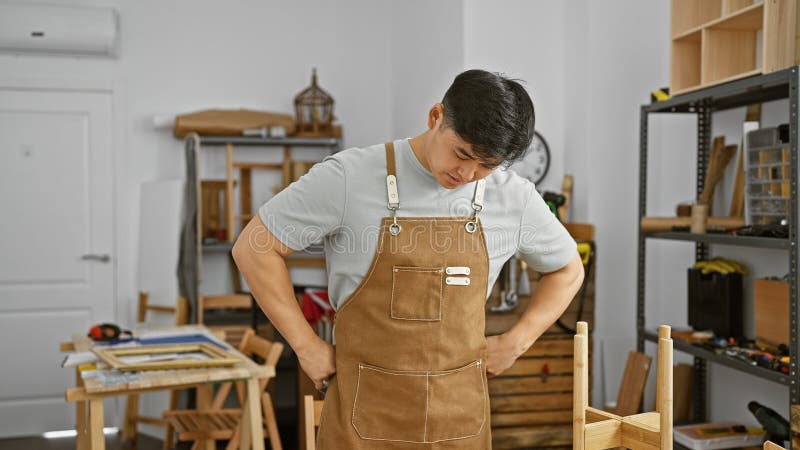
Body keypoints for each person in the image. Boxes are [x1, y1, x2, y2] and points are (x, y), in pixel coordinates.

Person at [232, 69, 584, 449]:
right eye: (462, 153)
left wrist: (517, 342)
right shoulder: (349, 177)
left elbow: (567, 270)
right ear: (435, 117)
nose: (467, 174)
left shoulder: (514, 197)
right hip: (362, 419)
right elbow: (254, 247)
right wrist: (305, 346)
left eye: (487, 165)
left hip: (459, 422)